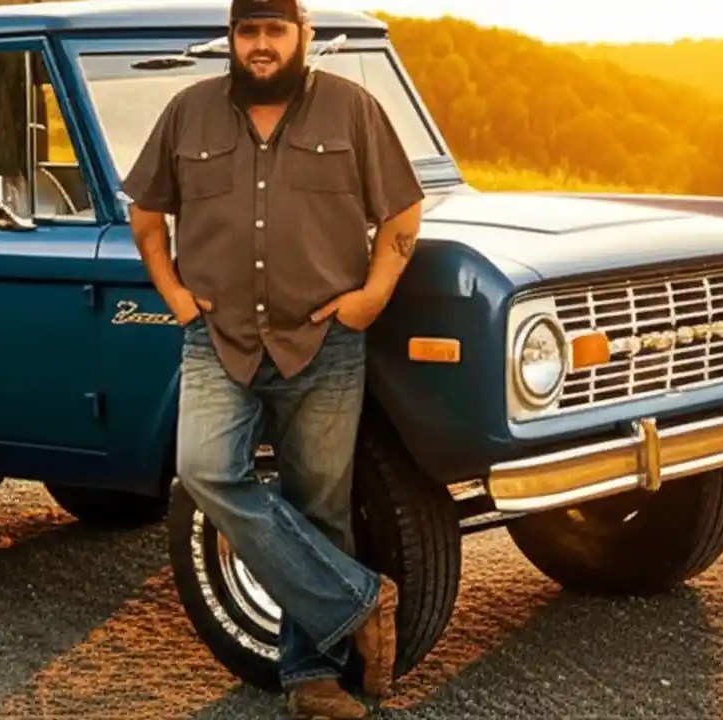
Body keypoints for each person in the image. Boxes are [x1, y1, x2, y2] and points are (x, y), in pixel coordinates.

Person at [121, 0, 425, 716]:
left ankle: (312, 678)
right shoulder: (188, 112)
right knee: (204, 470)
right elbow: (146, 214)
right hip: (218, 336)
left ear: (303, 36)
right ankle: (358, 601)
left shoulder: (352, 108)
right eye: (248, 31)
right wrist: (175, 295)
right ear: (232, 39)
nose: (261, 45)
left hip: (324, 340)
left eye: (275, 31)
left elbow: (402, 211)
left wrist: (372, 297)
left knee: (321, 504)